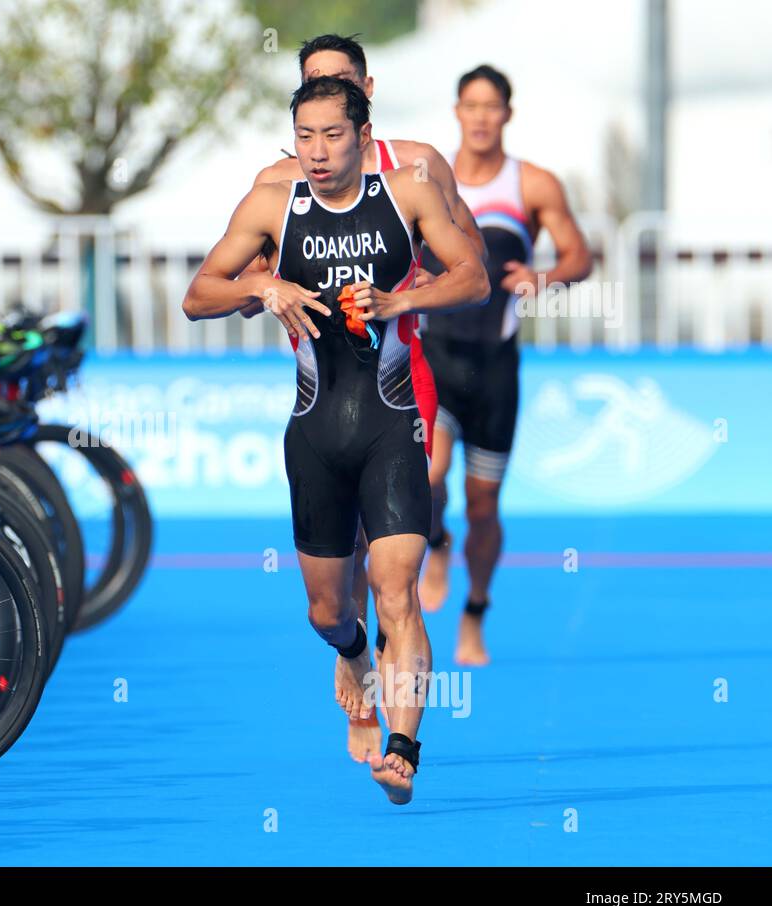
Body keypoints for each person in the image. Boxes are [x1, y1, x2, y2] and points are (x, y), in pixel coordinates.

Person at [183, 77, 488, 804]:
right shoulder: (271, 205)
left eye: (333, 135)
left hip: (392, 422)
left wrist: (402, 298)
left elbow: (473, 275)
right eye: (306, 136)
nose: (317, 152)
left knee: (397, 594)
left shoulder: (406, 194)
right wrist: (263, 290)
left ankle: (405, 747)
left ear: (362, 131)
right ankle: (352, 658)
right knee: (329, 612)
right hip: (316, 433)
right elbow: (198, 296)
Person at [416, 66, 591, 665]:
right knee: (429, 475)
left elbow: (580, 255)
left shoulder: (533, 184)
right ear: (457, 112)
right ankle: (435, 543)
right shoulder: (429, 180)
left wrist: (546, 277)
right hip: (436, 353)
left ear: (507, 115)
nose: (482, 117)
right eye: (472, 106)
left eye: (493, 107)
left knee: (485, 505)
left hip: (495, 368)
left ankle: (475, 610)